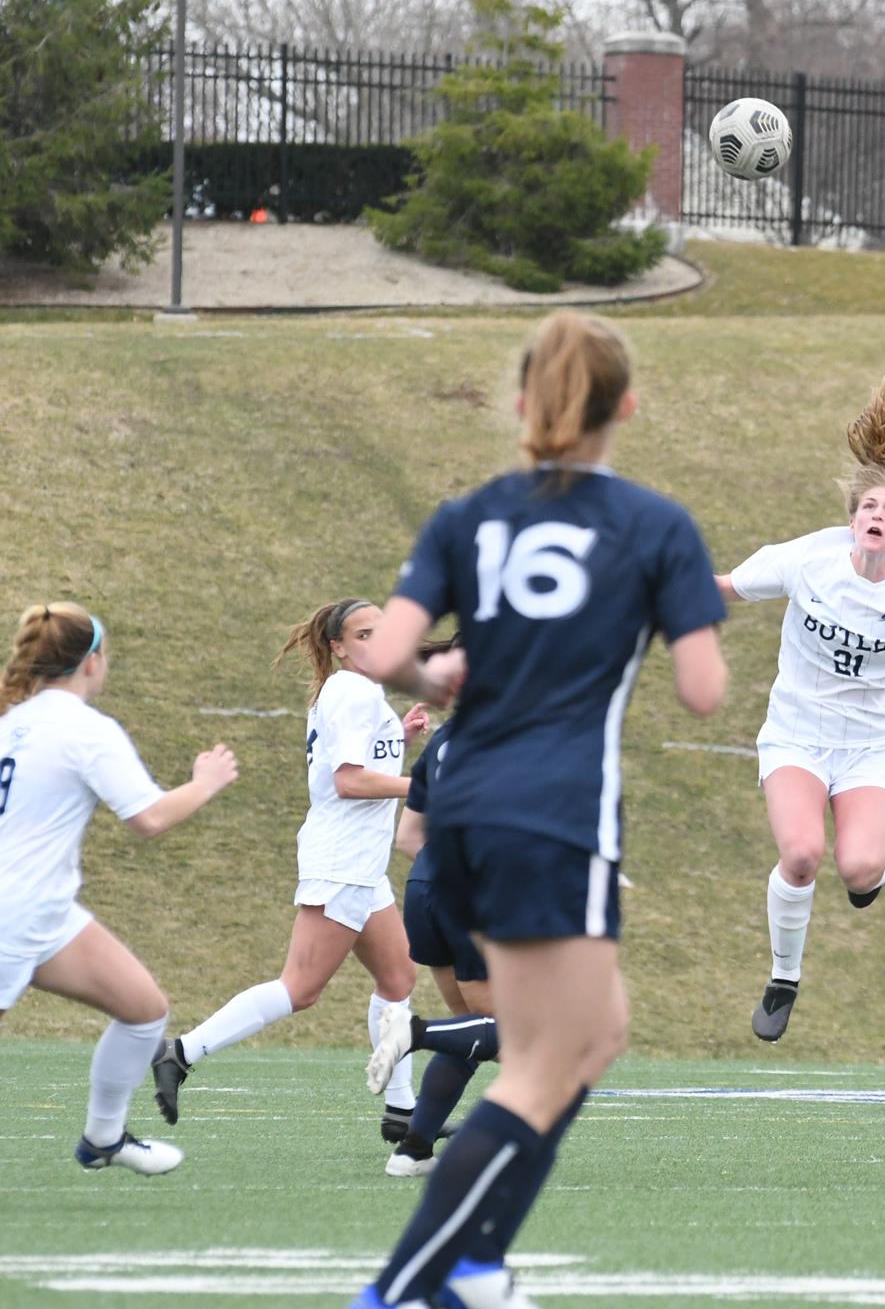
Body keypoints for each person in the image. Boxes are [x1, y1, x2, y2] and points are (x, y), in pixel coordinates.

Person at [347, 310, 728, 1309]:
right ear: (628, 406)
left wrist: (445, 664)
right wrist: (673, 611)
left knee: (593, 1034)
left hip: (457, 810)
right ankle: (404, 1285)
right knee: (539, 1063)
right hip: (557, 815)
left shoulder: (464, 513)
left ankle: (475, 1266)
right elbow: (703, 690)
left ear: (521, 406)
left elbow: (388, 655)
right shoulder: (655, 524)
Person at [717, 379, 885, 1044]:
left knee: (860, 870)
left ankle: (876, 868)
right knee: (803, 854)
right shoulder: (809, 558)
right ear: (852, 517)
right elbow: (720, 589)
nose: (878, 514)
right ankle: (784, 978)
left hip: (865, 745)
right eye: (869, 504)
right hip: (796, 735)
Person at [0, 603, 238, 1176]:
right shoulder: (85, 730)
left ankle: (104, 1138)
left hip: (43, 917)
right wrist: (205, 783)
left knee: (144, 1010)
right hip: (2, 928)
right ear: (91, 661)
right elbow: (147, 819)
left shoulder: (0, 722)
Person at [153, 600, 431, 1140]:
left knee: (398, 979)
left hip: (362, 865)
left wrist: (400, 736)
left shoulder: (358, 691)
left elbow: (353, 764)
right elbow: (349, 782)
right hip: (343, 860)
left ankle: (403, 1113)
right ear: (339, 646)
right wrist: (426, 788)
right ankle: (181, 1051)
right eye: (363, 634)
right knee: (300, 990)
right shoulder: (350, 690)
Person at [370, 703, 503, 1179]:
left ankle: (414, 1150)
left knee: (473, 1029)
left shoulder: (446, 738)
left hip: (427, 887)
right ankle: (414, 1032)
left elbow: (407, 835)